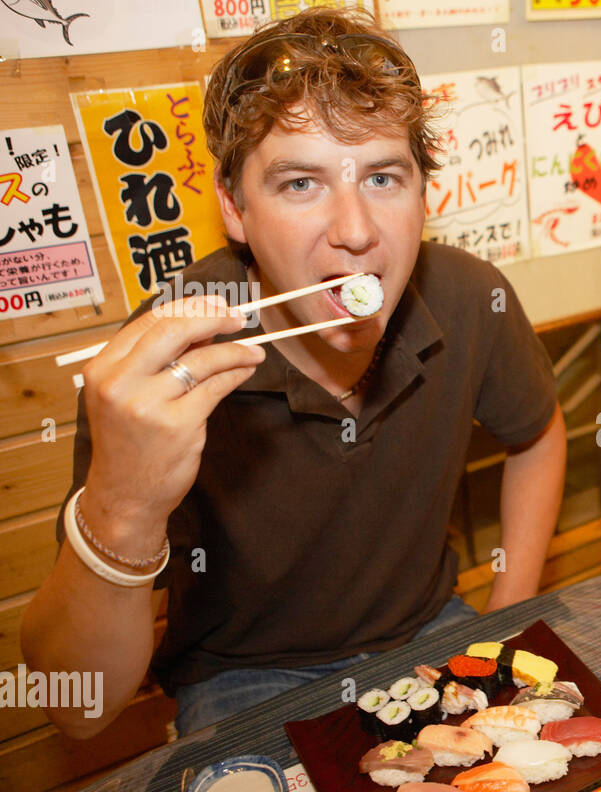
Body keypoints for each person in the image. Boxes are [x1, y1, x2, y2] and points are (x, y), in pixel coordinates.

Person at [21, 9, 566, 739]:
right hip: (242, 673)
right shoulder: (160, 366)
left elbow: (537, 432)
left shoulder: (470, 297)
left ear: (423, 192)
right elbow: (77, 710)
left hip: (429, 625)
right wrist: (122, 503)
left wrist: (508, 607)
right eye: (301, 183)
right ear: (234, 208)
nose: (355, 229)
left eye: (382, 176)